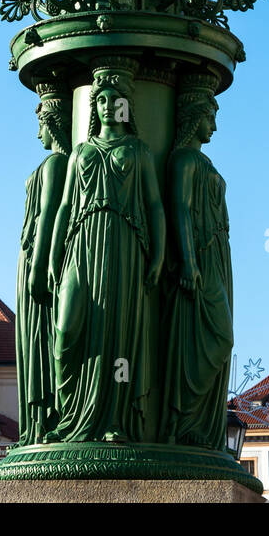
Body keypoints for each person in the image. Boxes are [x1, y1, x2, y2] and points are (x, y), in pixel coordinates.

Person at [48, 65, 165, 443]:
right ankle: (70, 415)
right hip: (81, 244)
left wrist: (159, 256)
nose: (107, 105)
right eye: (100, 99)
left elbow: (155, 206)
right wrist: (53, 256)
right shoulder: (81, 151)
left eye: (116, 100)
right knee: (67, 330)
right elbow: (66, 206)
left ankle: (113, 417)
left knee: (117, 335)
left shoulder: (139, 151)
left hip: (124, 247)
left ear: (128, 108)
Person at [162, 78, 234, 449]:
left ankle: (203, 424)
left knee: (221, 339)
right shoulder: (184, 160)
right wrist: (188, 262)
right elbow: (180, 210)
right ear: (193, 117)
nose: (215, 126)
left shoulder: (201, 160)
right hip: (199, 259)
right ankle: (184, 418)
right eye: (210, 116)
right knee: (215, 338)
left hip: (216, 256)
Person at [15, 83, 70, 445]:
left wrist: (38, 266)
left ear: (53, 123)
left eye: (41, 121)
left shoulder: (54, 163)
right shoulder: (55, 162)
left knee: (38, 342)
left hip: (35, 258)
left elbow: (49, 215)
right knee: (35, 343)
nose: (37, 131)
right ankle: (38, 421)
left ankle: (42, 419)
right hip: (32, 256)